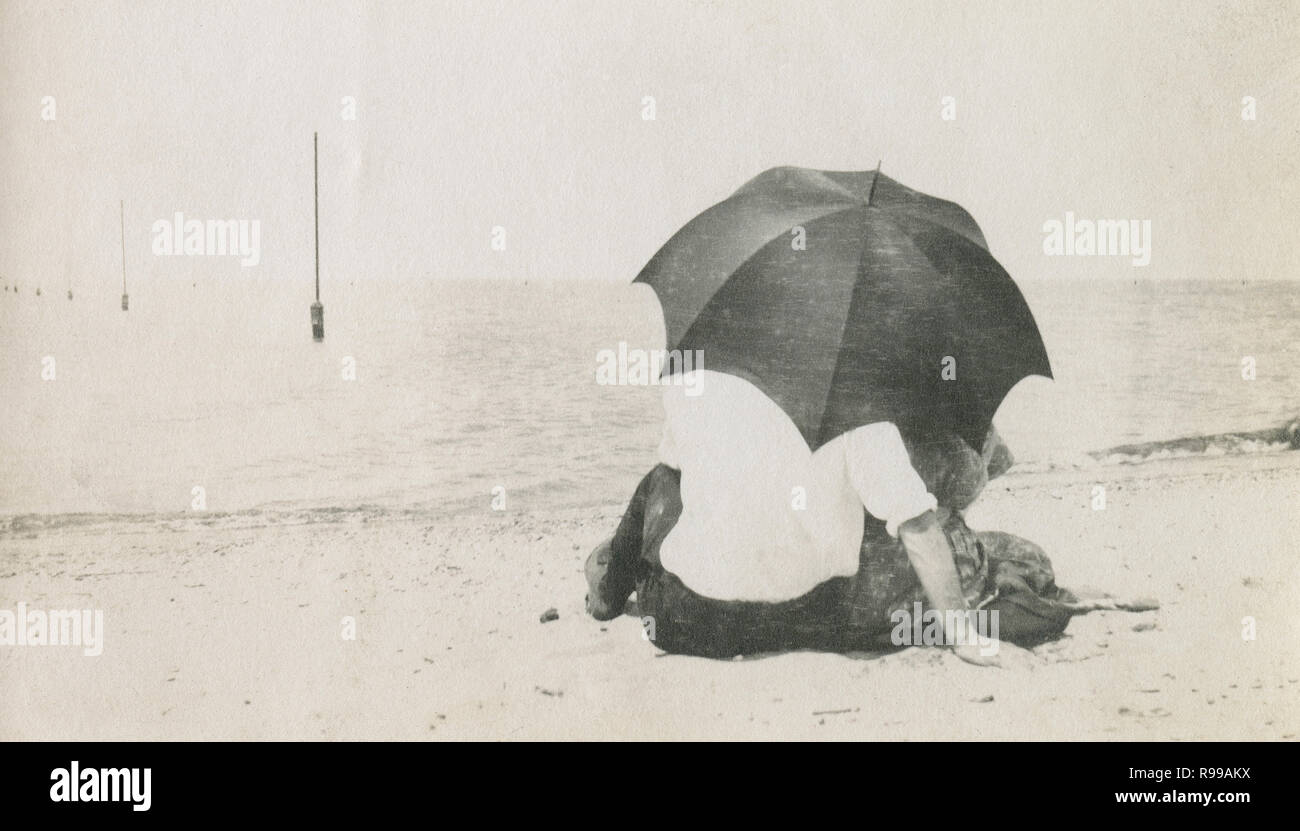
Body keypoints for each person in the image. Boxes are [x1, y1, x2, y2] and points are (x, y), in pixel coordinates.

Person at [586, 368, 1046, 666]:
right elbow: (916, 523)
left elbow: (672, 470)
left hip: (683, 624)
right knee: (871, 510)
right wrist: (963, 636)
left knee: (662, 478)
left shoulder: (693, 378)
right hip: (808, 609)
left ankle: (609, 588)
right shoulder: (859, 395)